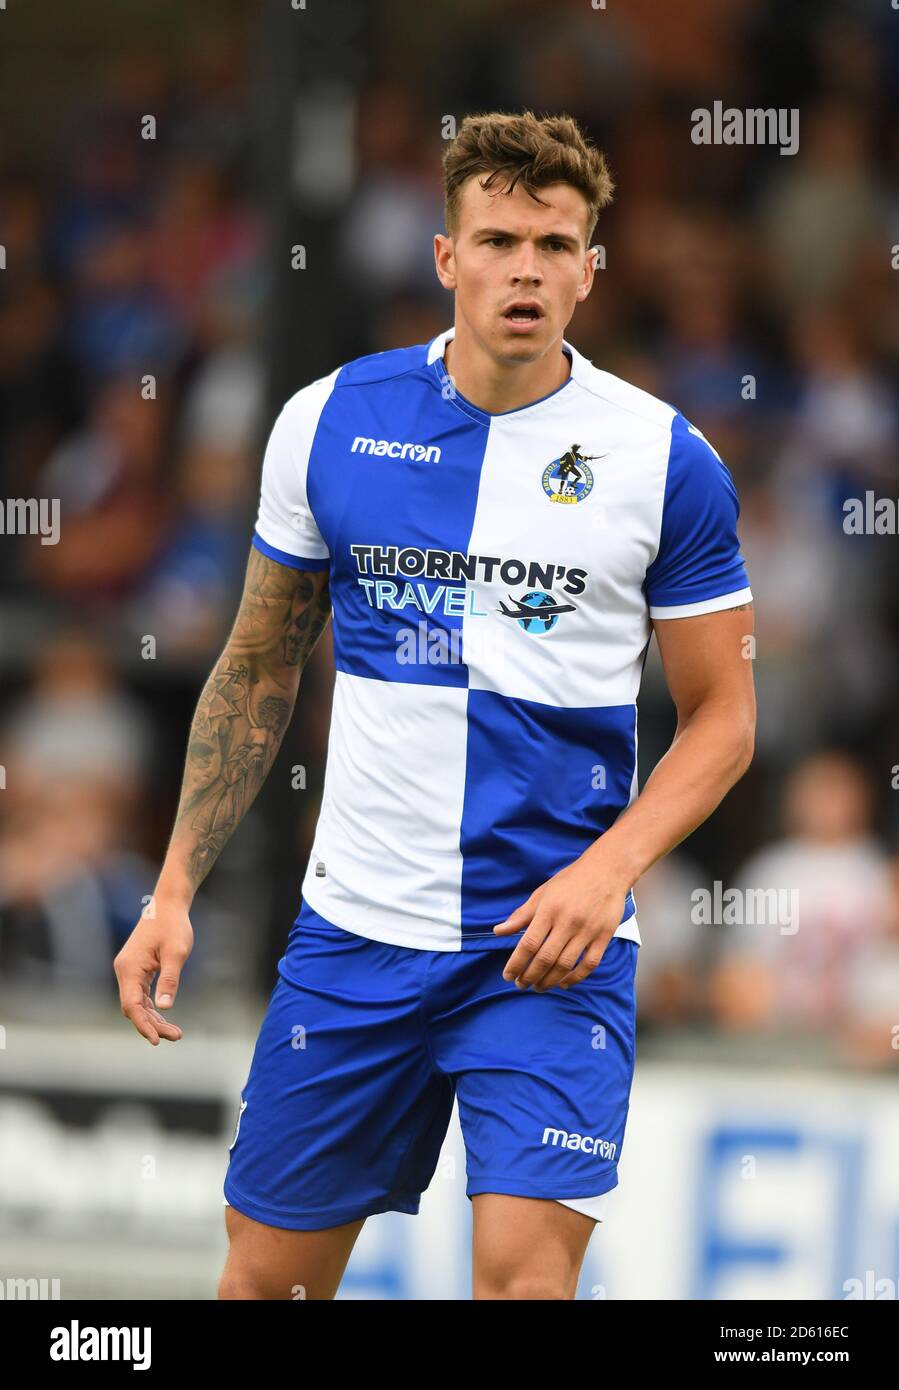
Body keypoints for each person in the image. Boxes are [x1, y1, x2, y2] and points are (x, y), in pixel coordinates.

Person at [114, 110, 756, 1300]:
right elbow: (258, 664)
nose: (526, 269)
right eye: (499, 239)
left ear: (589, 267)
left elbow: (722, 716)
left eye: (554, 245)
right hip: (353, 934)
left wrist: (608, 868)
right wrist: (171, 888)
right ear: (444, 256)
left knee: (520, 1282)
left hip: (546, 950)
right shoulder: (327, 420)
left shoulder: (663, 459)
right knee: (264, 1285)